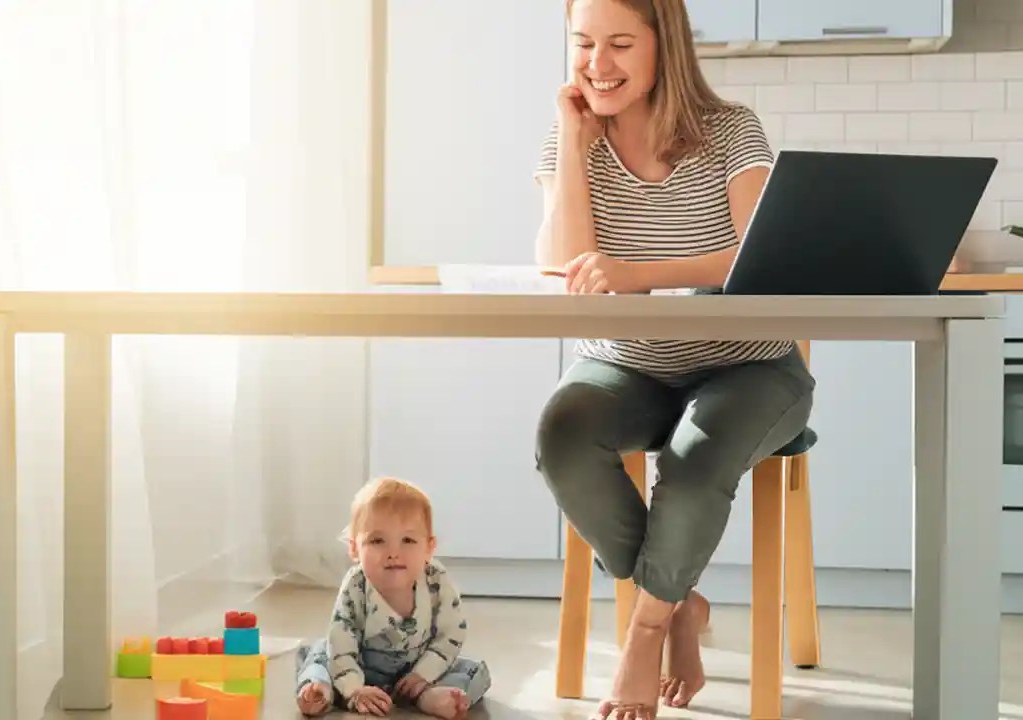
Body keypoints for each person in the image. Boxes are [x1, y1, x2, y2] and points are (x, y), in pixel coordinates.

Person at [532, 0, 815, 718]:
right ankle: (680, 600)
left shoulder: (730, 130)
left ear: (668, 47)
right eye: (584, 43)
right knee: (562, 434)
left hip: (747, 366)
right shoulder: (572, 142)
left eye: (620, 43)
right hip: (631, 366)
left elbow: (761, 254)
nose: (598, 64)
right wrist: (571, 141)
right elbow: (562, 263)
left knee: (693, 461)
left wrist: (634, 271)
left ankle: (645, 631)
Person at [294, 477, 491, 718]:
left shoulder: (436, 580)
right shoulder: (356, 585)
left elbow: (450, 634)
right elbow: (342, 642)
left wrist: (423, 674)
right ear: (355, 548)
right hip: (360, 666)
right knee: (319, 654)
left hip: (418, 670)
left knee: (474, 670)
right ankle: (319, 693)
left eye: (408, 540)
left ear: (429, 547)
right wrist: (354, 689)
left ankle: (427, 695)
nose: (393, 553)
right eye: (377, 541)